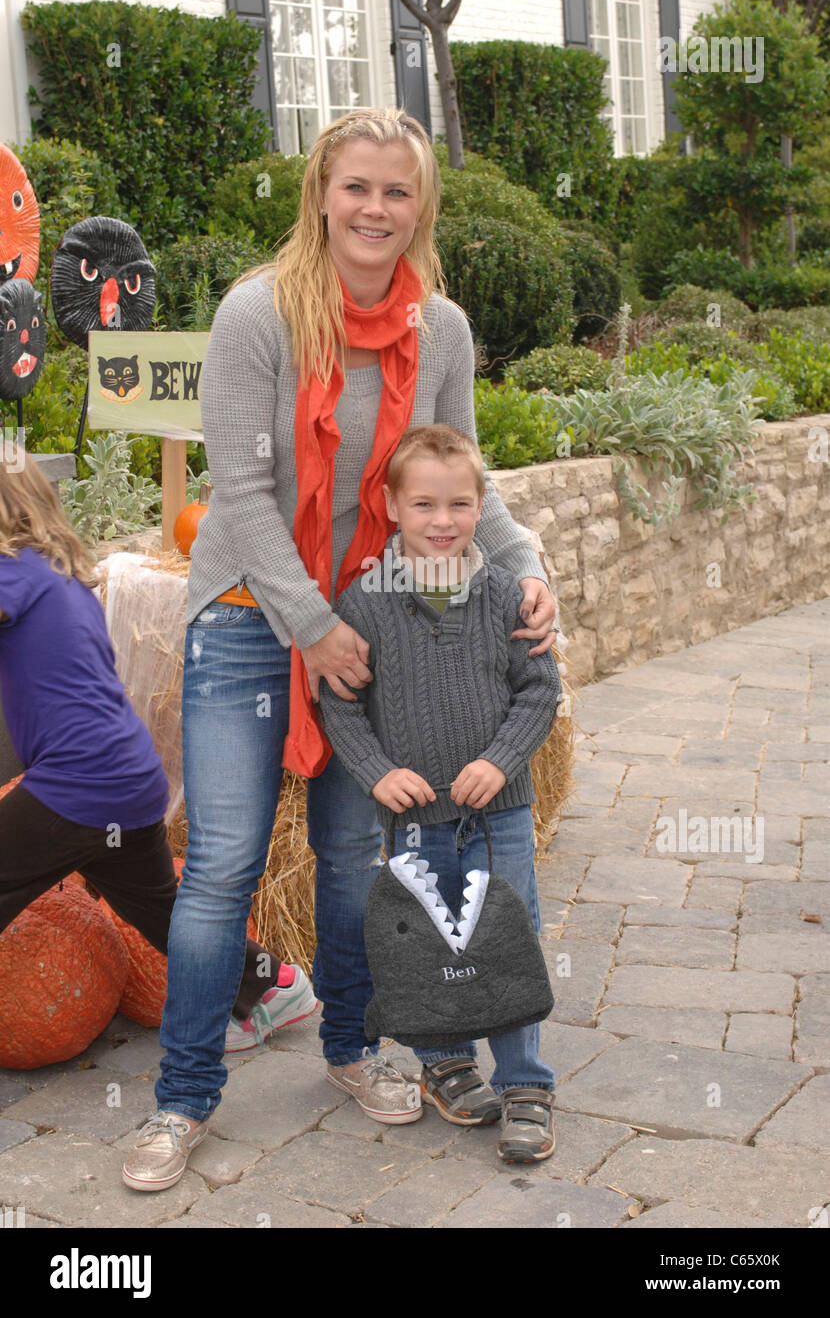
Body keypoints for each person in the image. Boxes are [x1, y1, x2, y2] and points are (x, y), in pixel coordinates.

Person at [127, 106, 559, 1191]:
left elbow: (461, 476)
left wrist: (530, 564)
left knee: (351, 855)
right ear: (321, 192)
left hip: (376, 620)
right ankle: (180, 1101)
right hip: (246, 611)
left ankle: (351, 1049)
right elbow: (241, 493)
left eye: (396, 191)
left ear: (420, 207)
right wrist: (307, 628)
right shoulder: (257, 316)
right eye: (355, 186)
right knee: (224, 862)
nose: (374, 208)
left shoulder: (441, 329)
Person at [0, 454, 315, 1173]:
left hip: (77, 785)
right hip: (126, 780)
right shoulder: (65, 577)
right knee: (168, 918)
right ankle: (274, 985)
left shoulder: (12, 572)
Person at [316, 422, 559, 1163]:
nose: (443, 521)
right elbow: (341, 704)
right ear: (392, 506)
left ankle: (525, 1082)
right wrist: (377, 773)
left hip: (498, 812)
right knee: (428, 937)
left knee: (504, 935)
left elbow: (539, 692)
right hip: (415, 819)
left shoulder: (505, 598)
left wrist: (502, 758)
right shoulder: (365, 604)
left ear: (480, 505)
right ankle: (446, 1061)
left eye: (459, 504)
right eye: (424, 505)